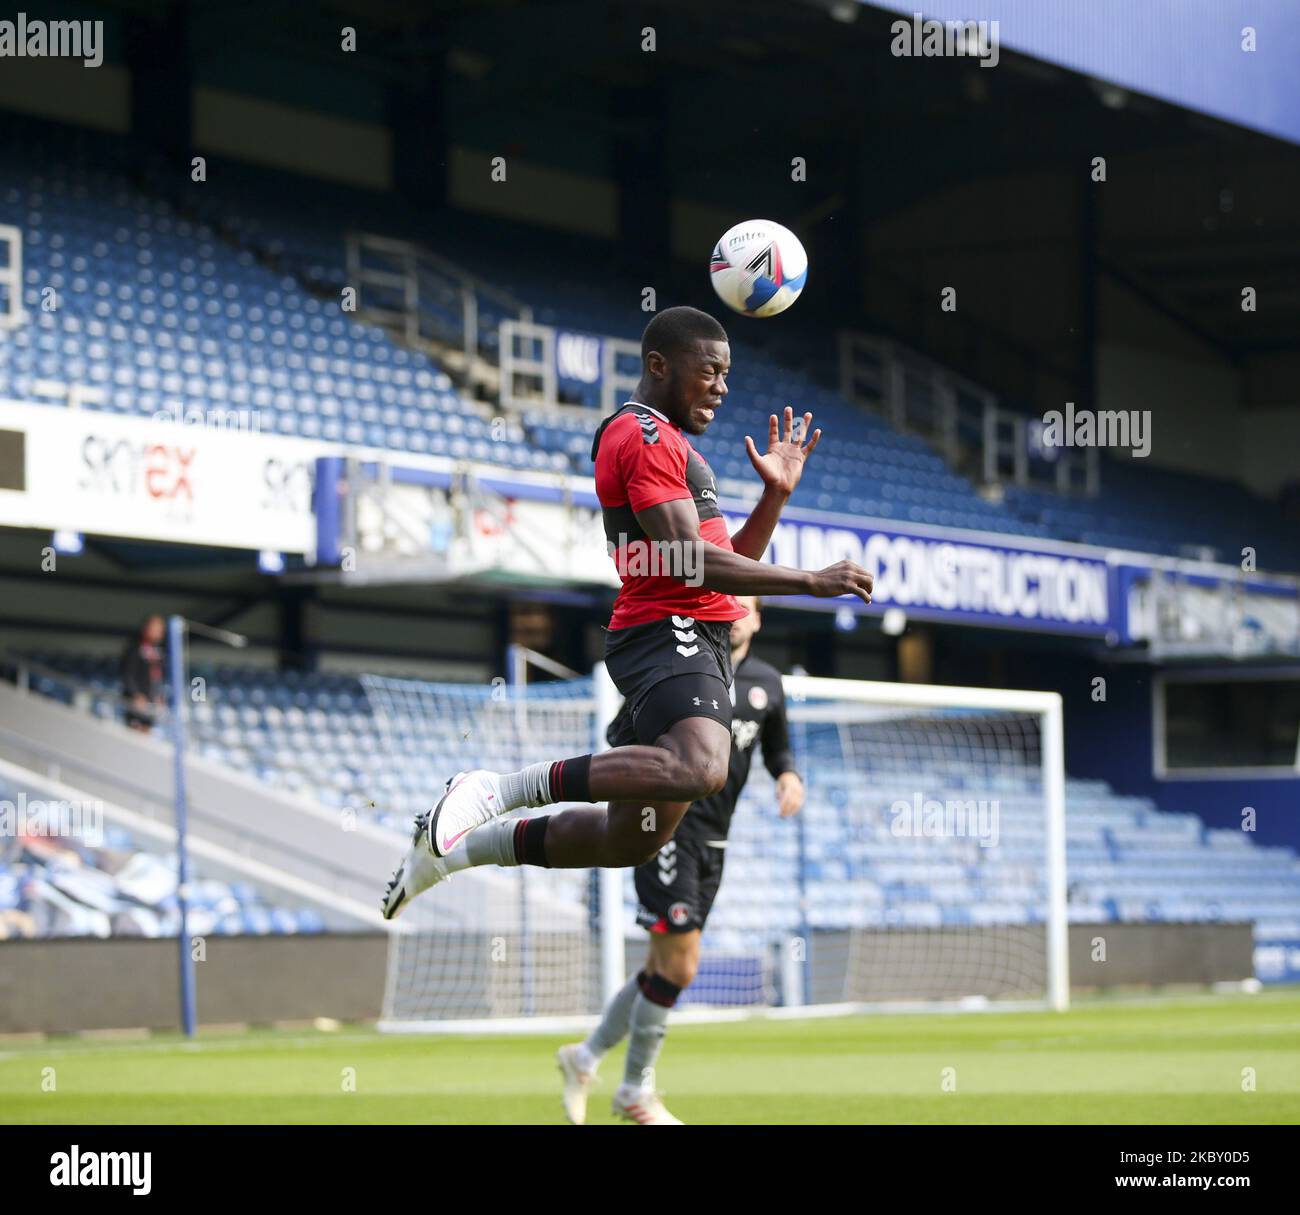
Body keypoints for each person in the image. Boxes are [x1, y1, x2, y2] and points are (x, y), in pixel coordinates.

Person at [379, 305, 869, 924]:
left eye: (727, 374)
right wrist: (810, 580)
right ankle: (494, 790)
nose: (721, 387)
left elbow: (726, 561)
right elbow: (690, 563)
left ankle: (451, 854)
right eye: (710, 371)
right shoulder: (642, 437)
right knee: (701, 767)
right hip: (668, 630)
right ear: (660, 366)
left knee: (632, 838)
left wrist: (774, 497)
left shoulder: (674, 447)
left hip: (696, 633)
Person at [557, 595, 801, 1123]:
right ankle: (634, 1092)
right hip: (664, 827)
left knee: (659, 967)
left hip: (717, 841)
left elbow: (778, 746)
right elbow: (621, 731)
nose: (736, 612)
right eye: (729, 603)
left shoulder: (768, 683)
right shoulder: (684, 668)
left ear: (757, 620)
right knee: (681, 966)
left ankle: (584, 1057)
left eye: (747, 606)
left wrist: (788, 774)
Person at [120, 614, 166, 732]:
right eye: (154, 628)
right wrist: (135, 694)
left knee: (146, 733)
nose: (157, 632)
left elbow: (159, 677)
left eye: (160, 630)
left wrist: (159, 696)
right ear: (146, 628)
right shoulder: (134, 649)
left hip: (151, 703)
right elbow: (127, 674)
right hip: (136, 703)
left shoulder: (159, 652)